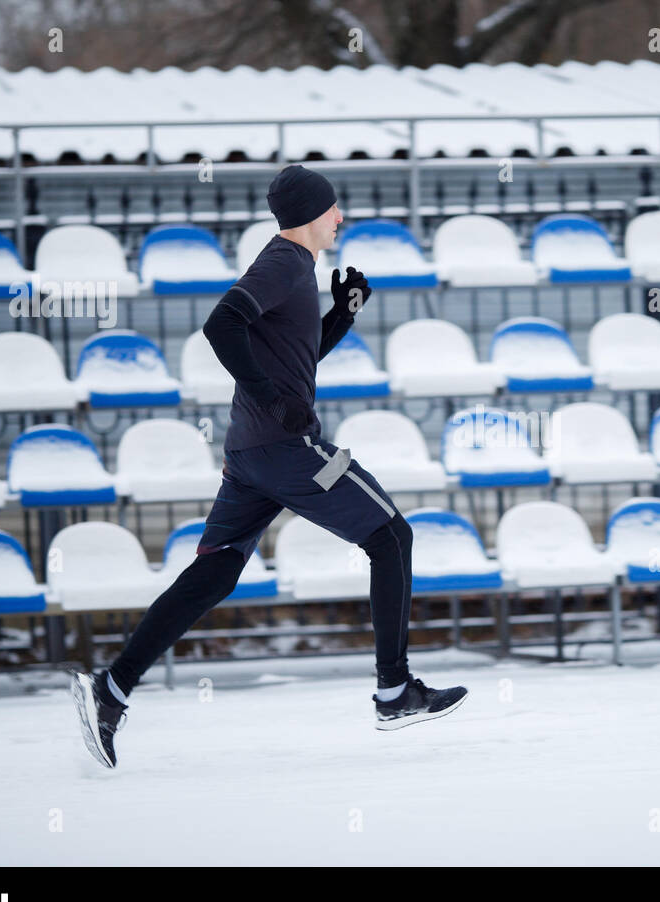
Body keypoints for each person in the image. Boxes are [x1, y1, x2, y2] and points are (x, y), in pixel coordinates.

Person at [71, 165, 467, 769]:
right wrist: (269, 397)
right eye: (334, 209)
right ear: (313, 213)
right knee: (392, 535)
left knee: (213, 576)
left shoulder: (293, 269)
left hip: (252, 455)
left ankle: (112, 689)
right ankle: (394, 691)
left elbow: (294, 356)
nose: (340, 218)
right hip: (285, 450)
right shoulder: (283, 261)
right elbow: (220, 324)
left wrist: (342, 313)